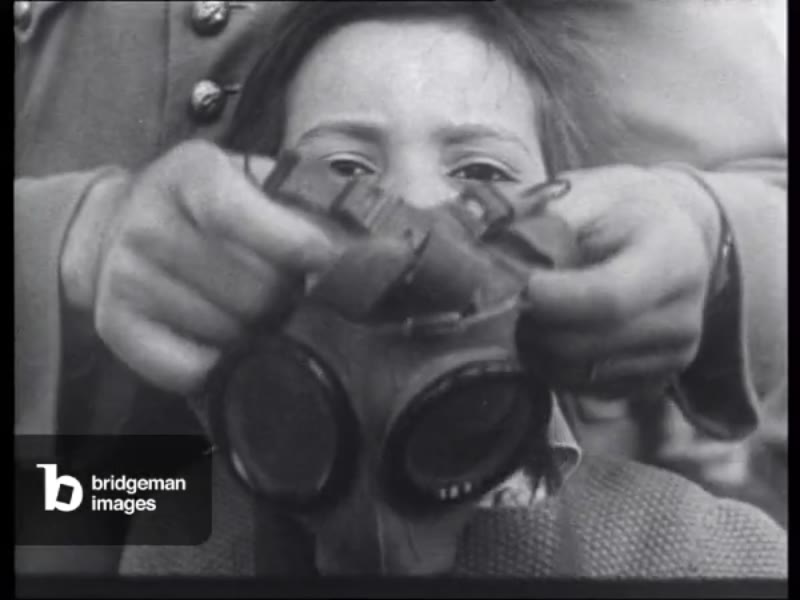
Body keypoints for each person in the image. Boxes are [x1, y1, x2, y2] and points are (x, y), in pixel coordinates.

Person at [15, 0, 786, 573]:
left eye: (481, 176)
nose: (416, 221)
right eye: (345, 173)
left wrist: (711, 233)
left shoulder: (688, 550)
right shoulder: (160, 513)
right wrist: (82, 236)